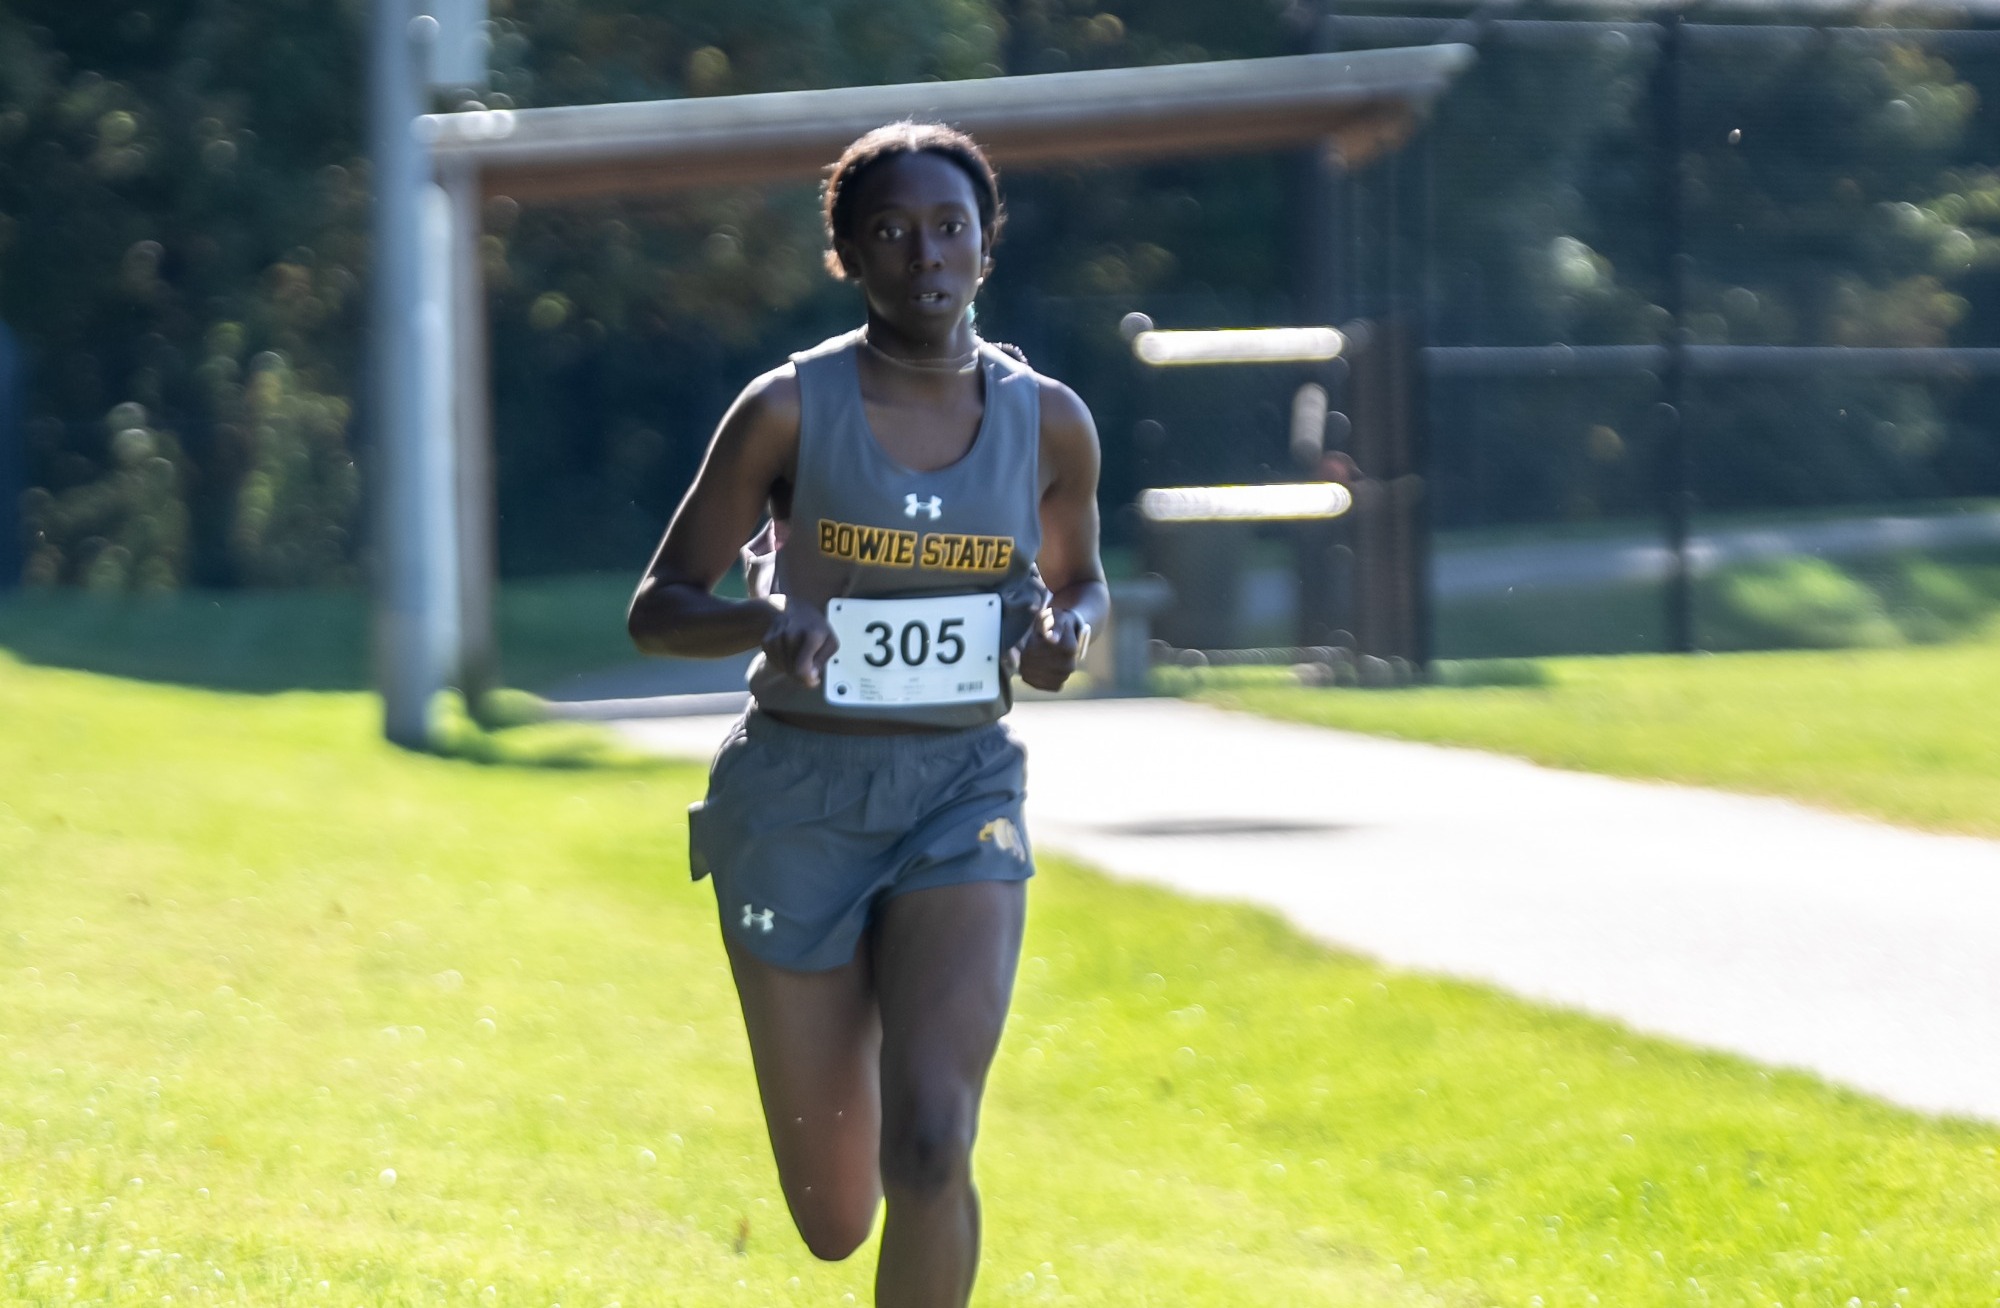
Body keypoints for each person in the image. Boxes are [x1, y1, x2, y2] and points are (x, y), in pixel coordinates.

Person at [626, 121, 1108, 1307]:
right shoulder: (786, 409)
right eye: (889, 232)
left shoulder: (1048, 420)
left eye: (948, 228)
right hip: (795, 800)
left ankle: (916, 1018)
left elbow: (1081, 580)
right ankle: (870, 997)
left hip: (959, 793)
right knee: (835, 1218)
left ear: (986, 244)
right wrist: (765, 621)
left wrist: (1067, 632)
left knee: (933, 1143)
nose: (923, 255)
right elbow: (658, 607)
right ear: (846, 254)